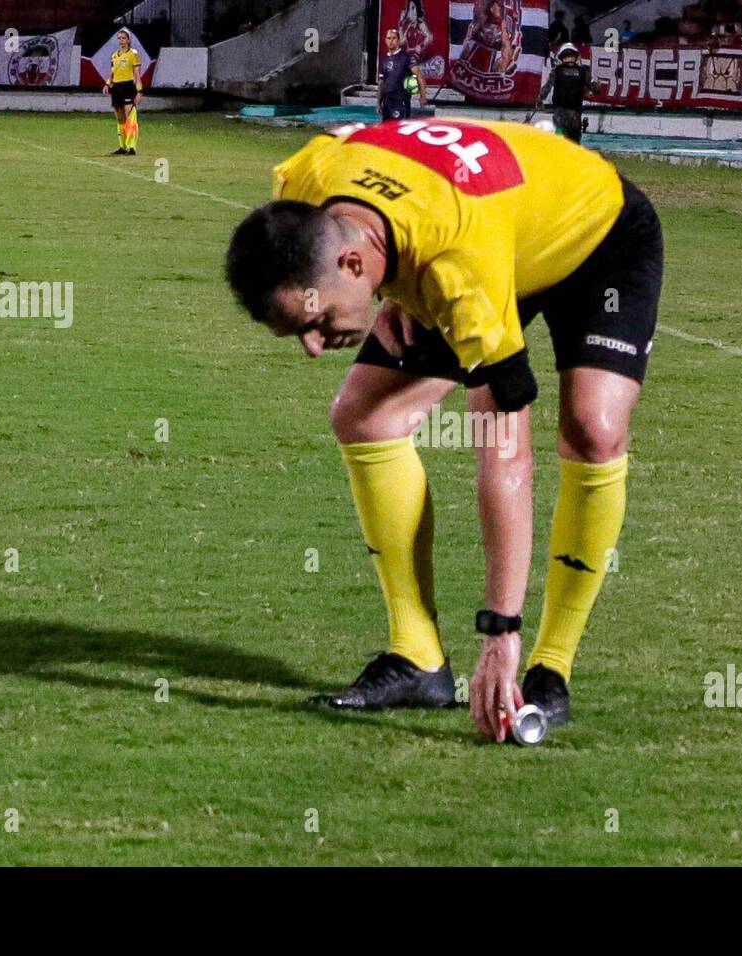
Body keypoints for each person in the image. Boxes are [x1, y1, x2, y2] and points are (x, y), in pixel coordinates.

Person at [224, 118, 664, 742]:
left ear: (353, 261)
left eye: (316, 323)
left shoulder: (460, 271)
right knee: (365, 415)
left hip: (597, 240)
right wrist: (395, 295)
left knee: (592, 429)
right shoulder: (307, 178)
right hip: (484, 225)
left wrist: (499, 632)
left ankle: (549, 668)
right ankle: (419, 657)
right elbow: (367, 179)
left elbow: (505, 457)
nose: (315, 348)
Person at [538, 43, 601, 143]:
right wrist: (596, 85)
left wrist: (540, 98)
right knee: (574, 142)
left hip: (559, 113)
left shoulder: (557, 70)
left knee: (559, 139)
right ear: (576, 57)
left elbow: (547, 87)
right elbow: (596, 90)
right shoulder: (582, 71)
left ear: (562, 58)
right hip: (575, 115)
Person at [103, 28, 143, 155]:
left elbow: (137, 75)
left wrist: (139, 91)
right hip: (116, 88)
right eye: (119, 38)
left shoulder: (133, 54)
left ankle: (131, 147)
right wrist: (107, 84)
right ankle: (122, 146)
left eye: (124, 38)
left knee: (130, 117)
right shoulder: (114, 55)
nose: (121, 41)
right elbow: (113, 72)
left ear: (129, 39)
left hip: (128, 87)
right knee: (120, 118)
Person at [378, 26, 427, 121]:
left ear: (399, 40)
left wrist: (423, 96)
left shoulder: (406, 58)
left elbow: (419, 76)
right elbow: (381, 83)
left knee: (399, 132)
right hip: (387, 102)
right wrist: (378, 103)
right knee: (386, 132)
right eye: (389, 38)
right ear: (385, 40)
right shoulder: (384, 60)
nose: (391, 41)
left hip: (401, 101)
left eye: (394, 38)